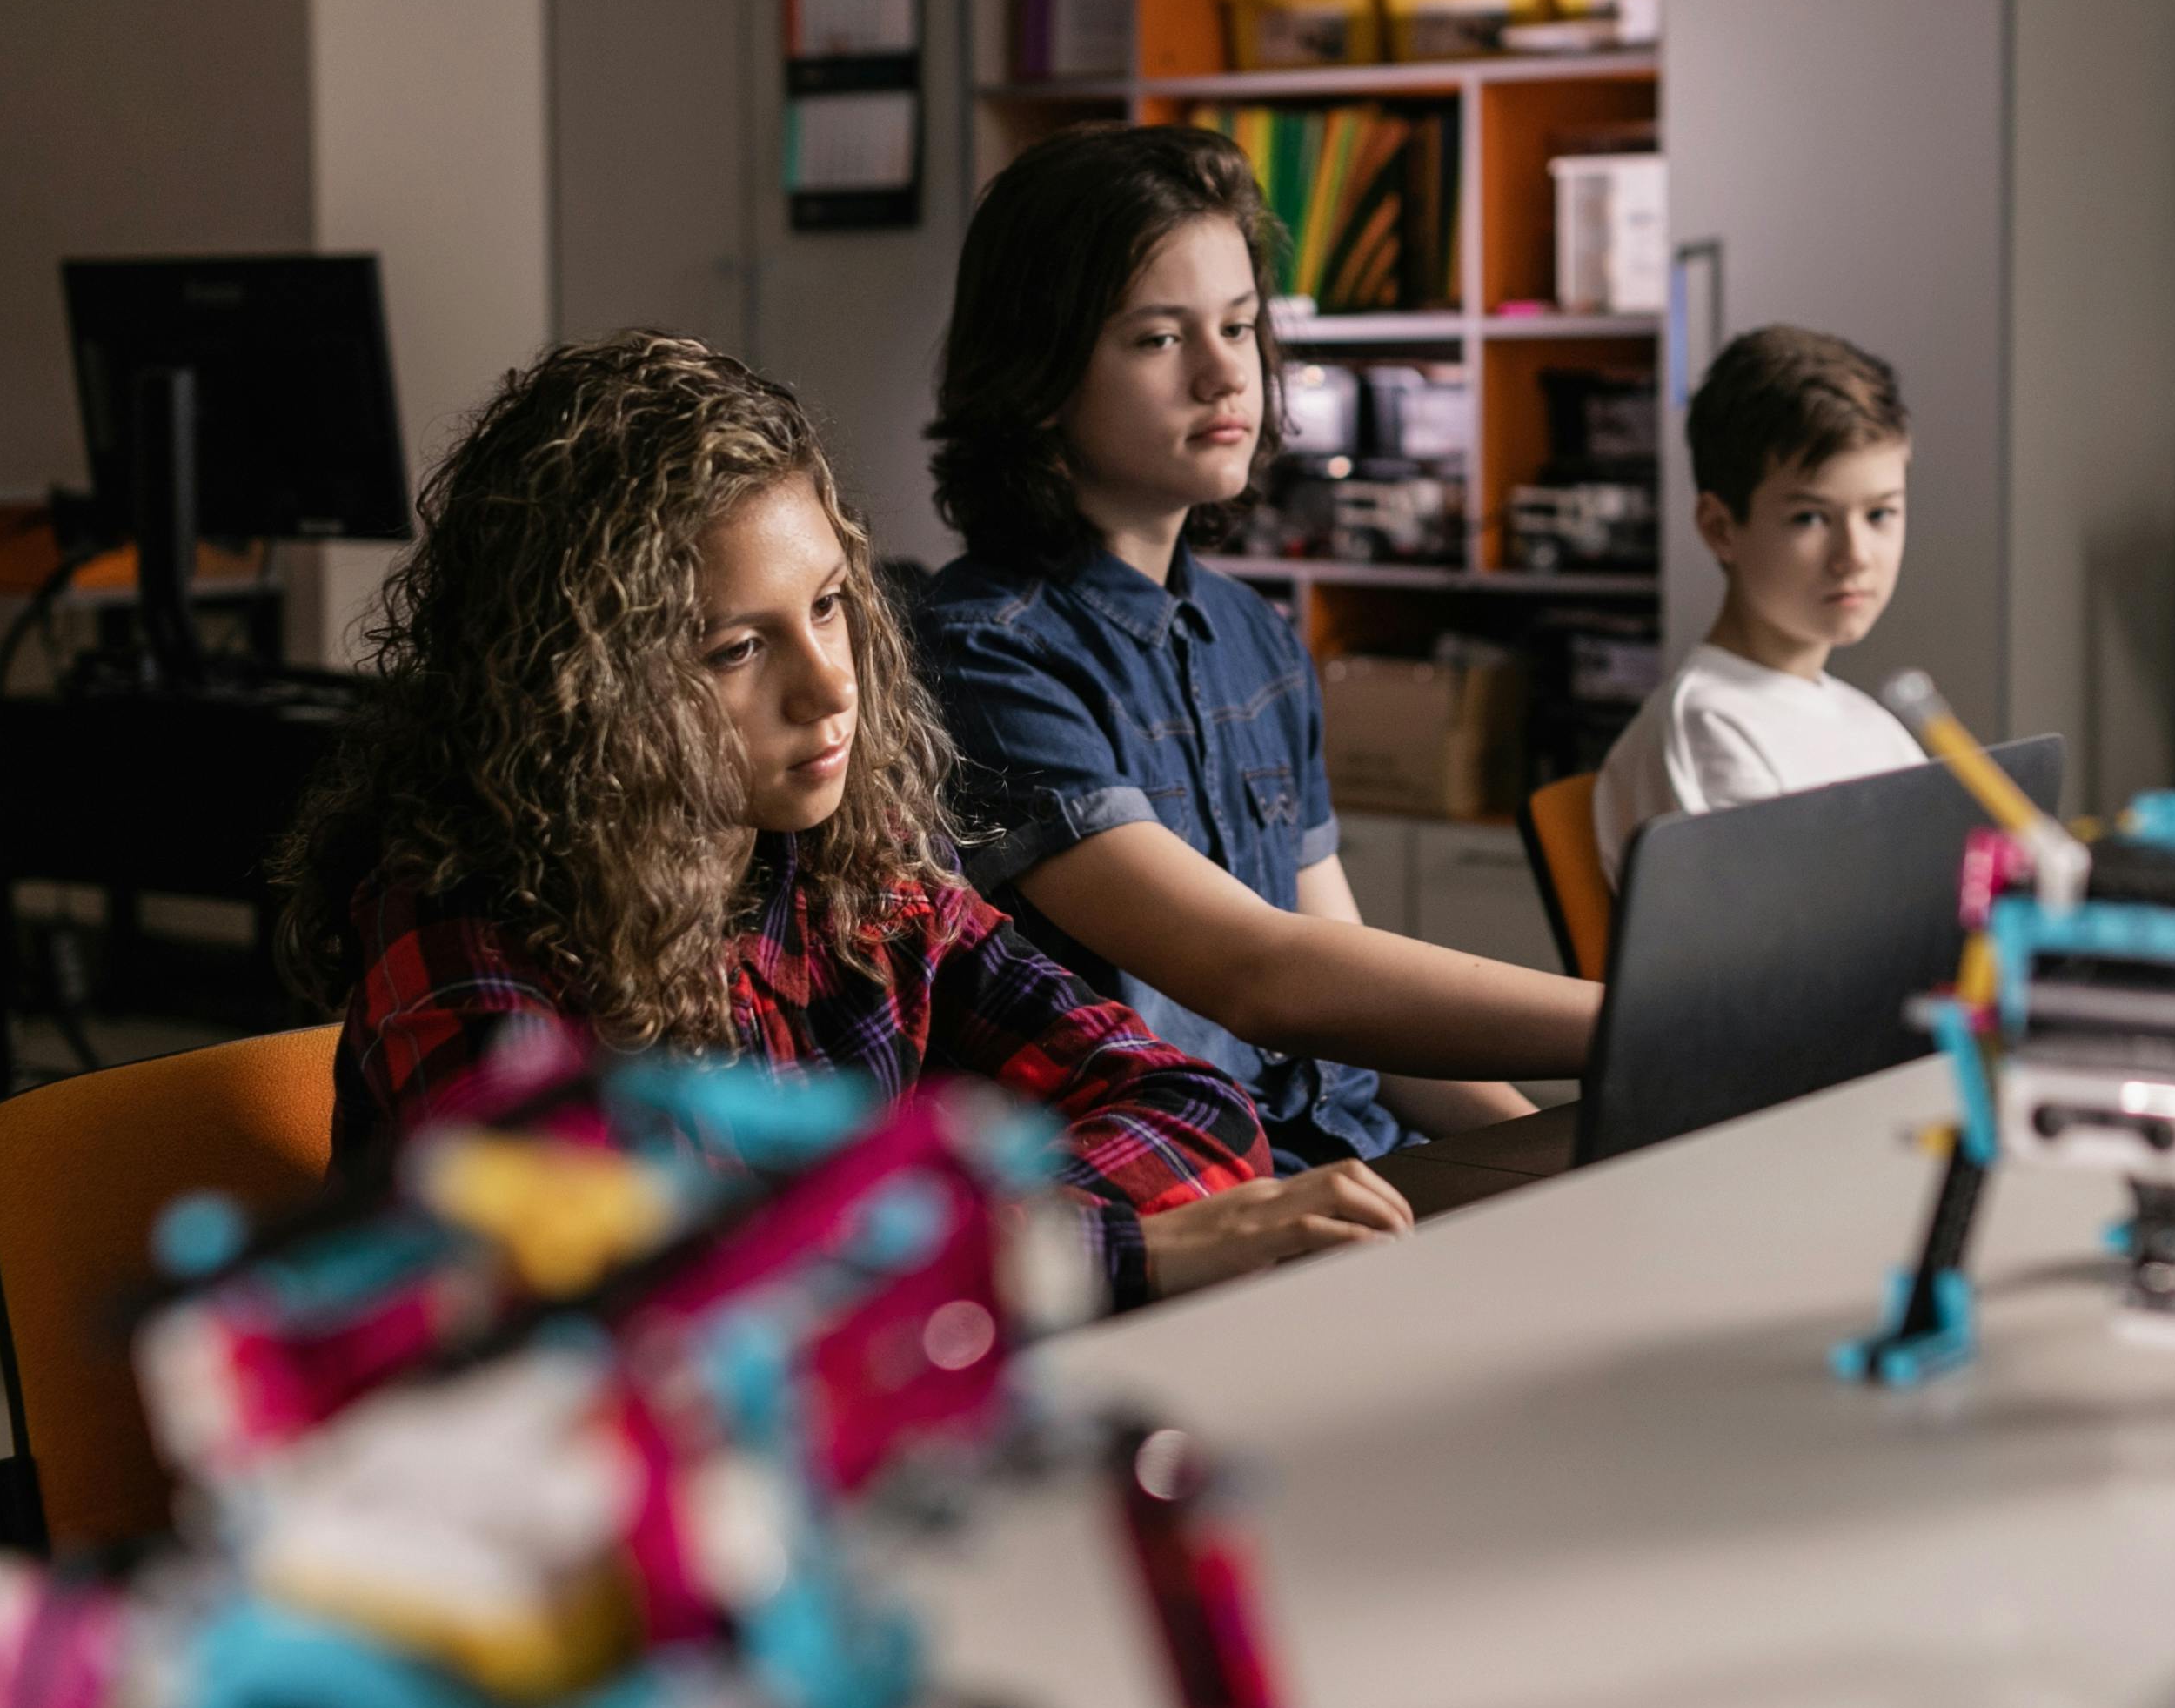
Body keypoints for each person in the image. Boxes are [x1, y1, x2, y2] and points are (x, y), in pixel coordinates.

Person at [271, 332, 1412, 1304]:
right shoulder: (462, 927)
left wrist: (937, 1261)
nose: (831, 687)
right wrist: (1087, 1251)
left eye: (826, 606)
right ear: (579, 686)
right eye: (737, 646)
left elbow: (1191, 1105)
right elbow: (635, 1306)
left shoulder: (849, 878)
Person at [916, 124, 1598, 1168]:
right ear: (1038, 374)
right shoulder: (982, 655)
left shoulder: (1256, 637)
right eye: (1158, 338)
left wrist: (1558, 1151)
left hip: (1349, 1154)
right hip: (1203, 1197)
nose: (1223, 375)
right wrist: (1638, 1018)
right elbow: (1263, 976)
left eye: (1238, 326)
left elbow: (1351, 989)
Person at [1593, 325, 1925, 881]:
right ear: (1722, 529)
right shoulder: (1709, 729)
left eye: (1880, 514)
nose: (1856, 555)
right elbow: (1783, 961)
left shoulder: (1875, 728)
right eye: (1810, 518)